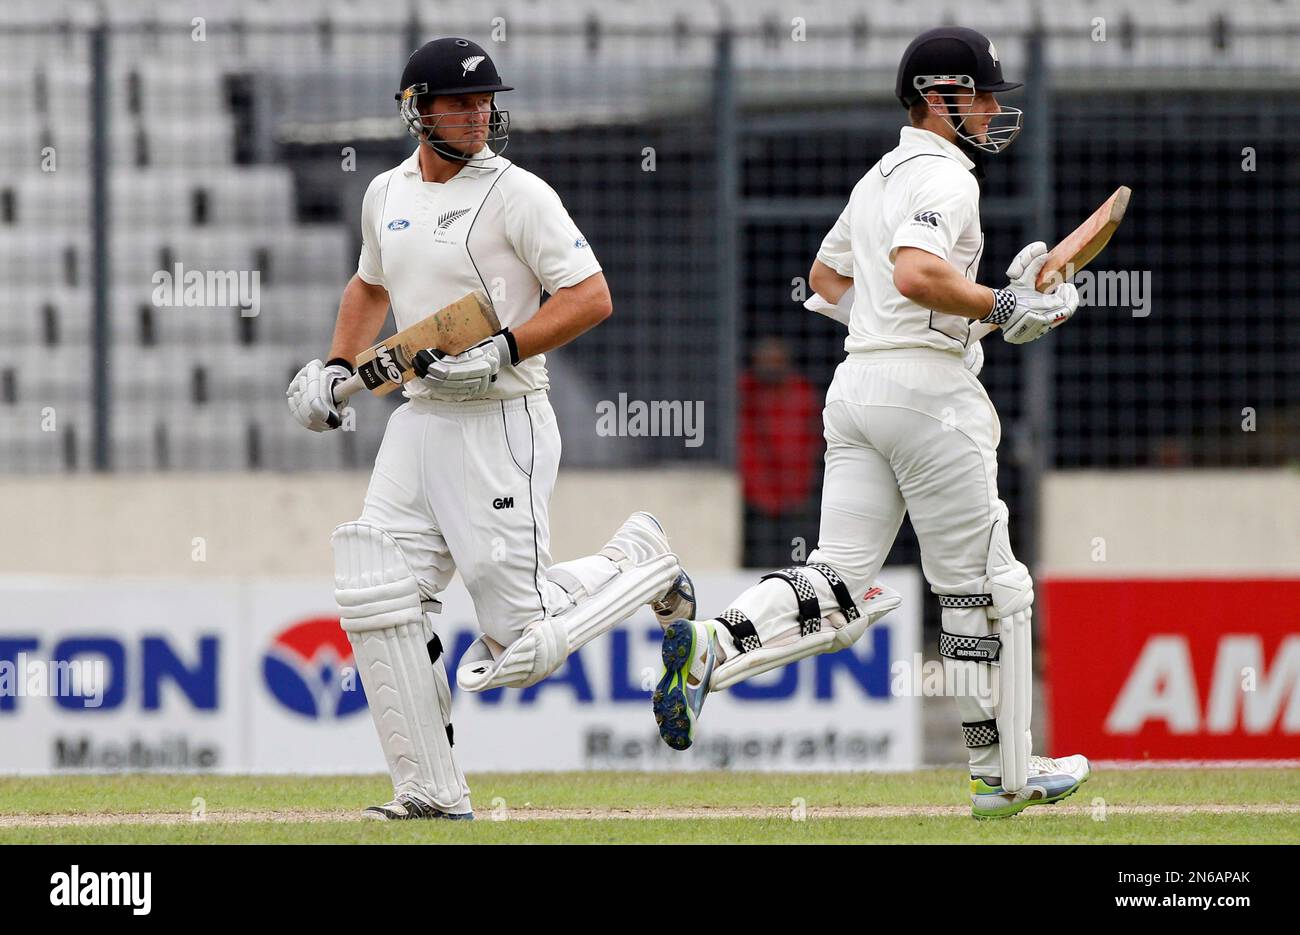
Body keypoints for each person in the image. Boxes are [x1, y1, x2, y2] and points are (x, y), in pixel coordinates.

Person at [652, 26, 1090, 819]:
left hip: (857, 387)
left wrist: (970, 318)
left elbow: (827, 277)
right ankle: (1004, 772)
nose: (993, 108)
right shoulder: (948, 179)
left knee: (837, 578)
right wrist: (1001, 304)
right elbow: (918, 272)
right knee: (986, 589)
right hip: (930, 400)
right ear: (938, 97)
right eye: (981, 93)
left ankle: (714, 641)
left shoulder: (875, 179)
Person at [286, 38, 694, 820]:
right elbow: (370, 284)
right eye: (460, 103)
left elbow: (590, 295)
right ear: (417, 109)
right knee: (378, 596)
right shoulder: (386, 193)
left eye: (485, 103)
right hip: (419, 419)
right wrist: (337, 367)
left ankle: (640, 557)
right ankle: (431, 792)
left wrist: (501, 349)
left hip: (502, 419)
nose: (478, 116)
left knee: (523, 646)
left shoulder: (518, 194)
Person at [738, 337, 821, 567]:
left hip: (797, 491)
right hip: (756, 493)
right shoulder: (745, 391)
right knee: (759, 558)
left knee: (799, 558)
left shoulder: (802, 392)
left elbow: (814, 439)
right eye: (765, 361)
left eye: (776, 361)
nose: (770, 367)